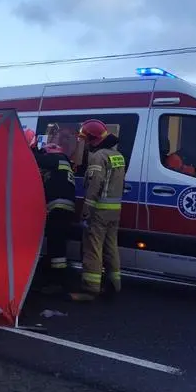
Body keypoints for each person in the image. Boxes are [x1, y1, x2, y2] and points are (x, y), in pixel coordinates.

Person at [35, 142, 94, 301]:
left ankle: (57, 283)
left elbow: (37, 160)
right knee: (56, 245)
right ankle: (52, 277)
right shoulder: (63, 164)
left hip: (58, 209)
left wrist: (29, 150)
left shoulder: (57, 159)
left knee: (56, 248)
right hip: (63, 210)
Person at [77, 119, 125, 296]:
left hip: (99, 210)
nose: (85, 143)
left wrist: (86, 211)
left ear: (93, 139)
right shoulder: (118, 155)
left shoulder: (98, 157)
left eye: (86, 139)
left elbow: (94, 185)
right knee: (111, 246)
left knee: (93, 247)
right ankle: (114, 283)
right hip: (114, 210)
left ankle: (90, 288)